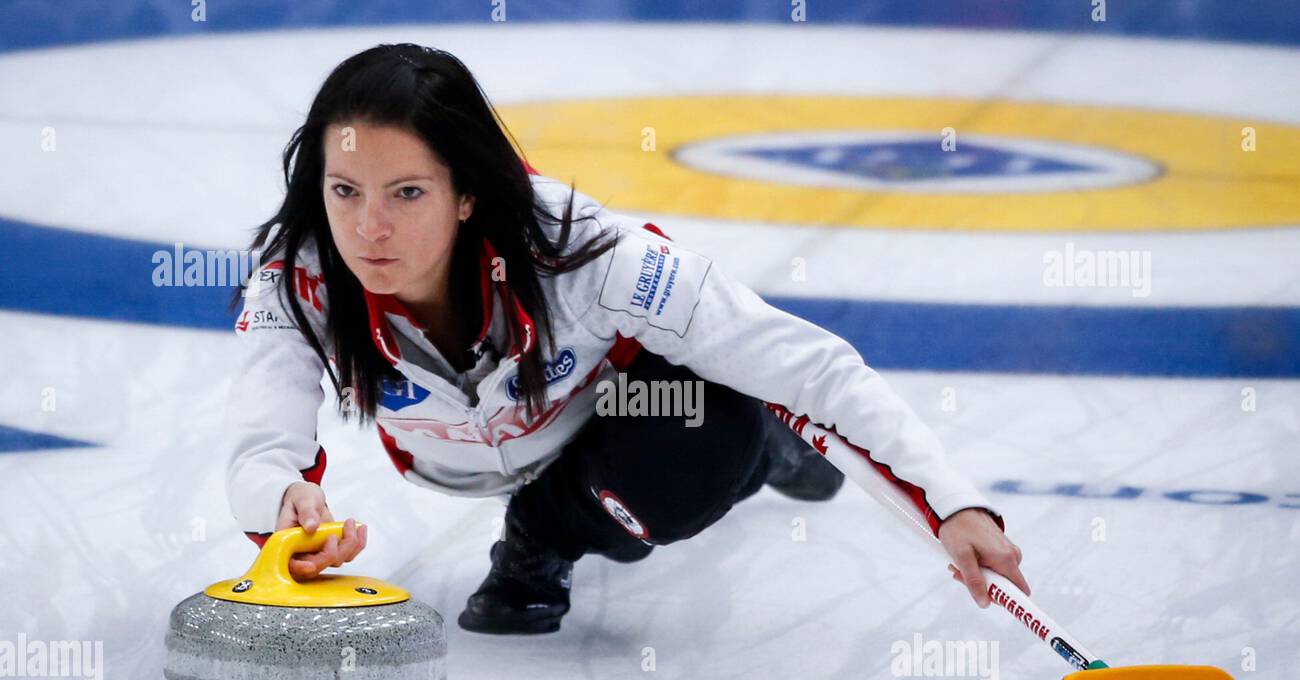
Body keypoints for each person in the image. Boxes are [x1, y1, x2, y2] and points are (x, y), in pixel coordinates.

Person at [225, 43, 1031, 635]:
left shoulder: (587, 252)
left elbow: (803, 363)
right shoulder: (294, 279)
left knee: (716, 418)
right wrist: (283, 507)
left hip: (618, 416)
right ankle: (764, 452)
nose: (368, 227)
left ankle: (552, 534)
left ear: (467, 194)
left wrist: (951, 505)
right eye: (344, 189)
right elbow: (264, 442)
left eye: (407, 193)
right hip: (456, 464)